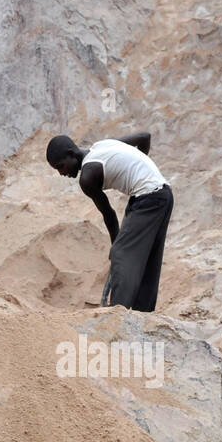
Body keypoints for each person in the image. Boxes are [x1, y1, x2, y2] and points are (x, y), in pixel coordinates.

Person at [45, 132, 172, 312]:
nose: (62, 173)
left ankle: (116, 315)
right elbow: (144, 137)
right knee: (149, 257)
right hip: (164, 193)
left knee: (121, 254)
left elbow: (109, 215)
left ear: (72, 154)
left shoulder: (87, 177)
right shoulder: (103, 145)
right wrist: (141, 168)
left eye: (61, 166)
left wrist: (116, 247)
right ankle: (142, 313)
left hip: (149, 198)